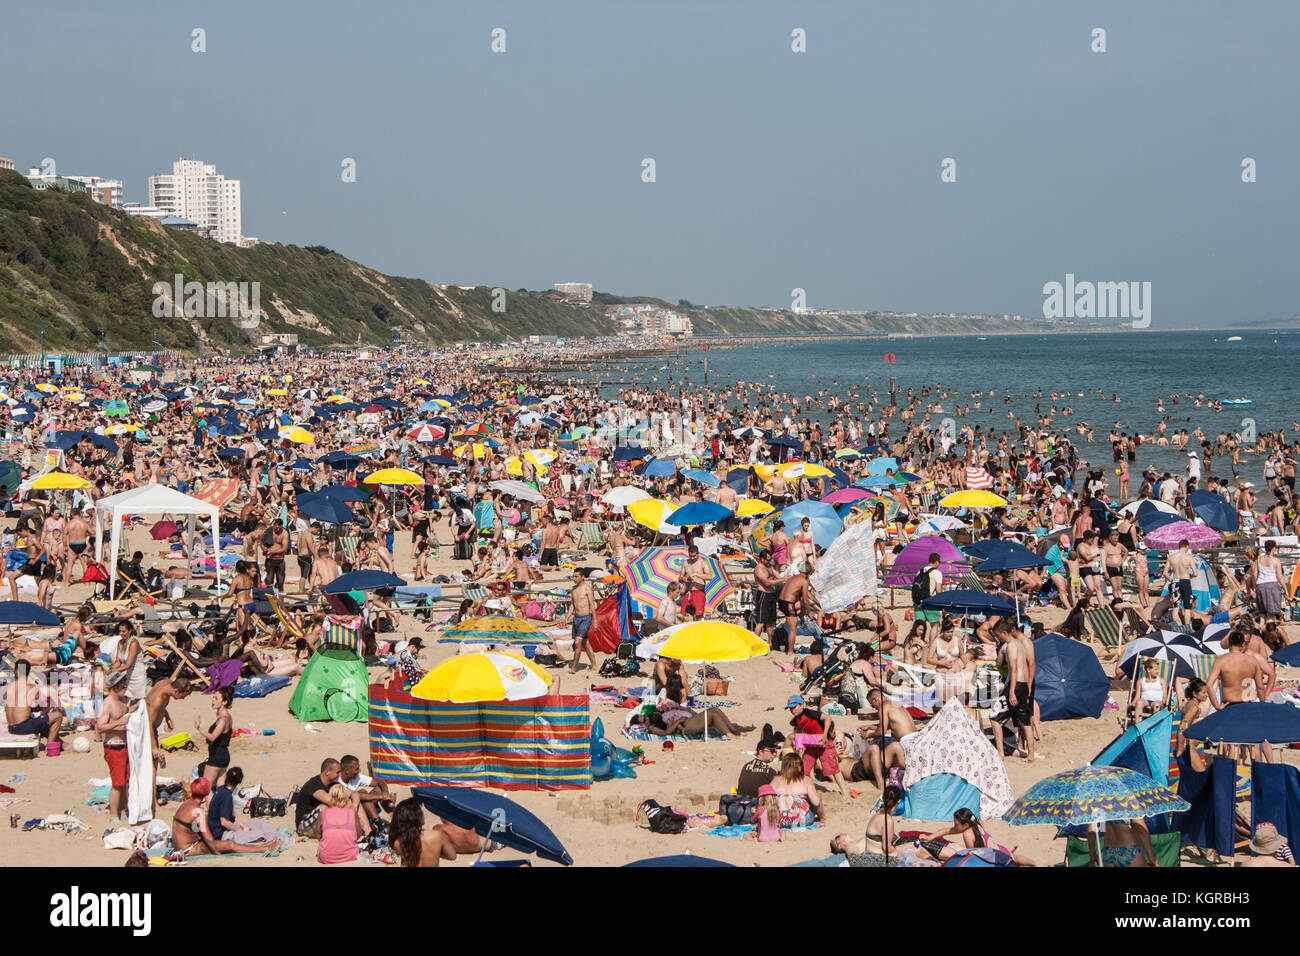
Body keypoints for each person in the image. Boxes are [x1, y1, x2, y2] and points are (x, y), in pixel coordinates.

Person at [172, 777, 278, 856]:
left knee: (225, 843)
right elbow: (208, 838)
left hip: (181, 846)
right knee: (229, 844)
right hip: (188, 849)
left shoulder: (186, 804)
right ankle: (262, 849)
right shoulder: (198, 811)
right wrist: (216, 852)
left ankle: (262, 846)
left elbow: (192, 828)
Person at [918, 807, 1037, 865]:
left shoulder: (967, 834)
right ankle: (1035, 863)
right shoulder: (975, 825)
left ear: (965, 825)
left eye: (957, 824)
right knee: (1014, 857)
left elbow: (972, 854)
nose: (954, 826)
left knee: (1013, 862)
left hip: (995, 857)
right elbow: (947, 830)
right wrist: (930, 837)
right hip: (1000, 849)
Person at [786, 693, 849, 796]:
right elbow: (799, 731)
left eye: (794, 707)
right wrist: (799, 741)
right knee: (804, 768)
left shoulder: (809, 713)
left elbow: (828, 718)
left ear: (801, 705)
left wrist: (824, 734)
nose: (792, 710)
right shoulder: (796, 720)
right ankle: (801, 790)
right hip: (812, 745)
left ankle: (845, 791)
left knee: (833, 768)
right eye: (790, 708)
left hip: (823, 744)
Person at [95, 670, 133, 821]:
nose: (125, 686)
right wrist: (118, 723)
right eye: (122, 684)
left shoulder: (123, 700)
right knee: (117, 783)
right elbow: (100, 727)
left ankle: (123, 809)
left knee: (127, 781)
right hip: (114, 746)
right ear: (115, 686)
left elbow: (128, 712)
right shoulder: (107, 704)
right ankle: (113, 815)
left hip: (125, 746)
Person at [4, 662, 66, 753]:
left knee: (43, 722)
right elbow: (40, 707)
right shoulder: (31, 688)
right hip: (24, 726)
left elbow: (9, 702)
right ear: (28, 672)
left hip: (11, 727)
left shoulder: (8, 688)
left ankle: (61, 744)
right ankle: (50, 748)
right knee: (57, 716)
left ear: (15, 671)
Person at [389, 797, 458, 867]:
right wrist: (435, 851)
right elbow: (452, 856)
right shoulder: (437, 835)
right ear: (417, 816)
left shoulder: (398, 843)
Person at [293, 757, 343, 839]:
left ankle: (367, 831)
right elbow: (331, 801)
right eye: (337, 772)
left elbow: (350, 793)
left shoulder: (333, 783)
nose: (340, 775)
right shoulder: (313, 785)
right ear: (327, 772)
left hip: (317, 821)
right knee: (325, 807)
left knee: (354, 799)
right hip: (304, 826)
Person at [193, 686, 234, 787]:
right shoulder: (226, 716)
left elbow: (212, 737)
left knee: (206, 789)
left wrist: (199, 728)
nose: (213, 700)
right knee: (220, 789)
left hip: (217, 756)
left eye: (216, 698)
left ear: (224, 702)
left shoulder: (223, 719)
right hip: (223, 755)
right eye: (213, 697)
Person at [339, 753, 393, 828]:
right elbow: (357, 796)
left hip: (361, 807)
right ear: (347, 771)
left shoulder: (356, 777)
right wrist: (381, 796)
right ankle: (380, 824)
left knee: (379, 788)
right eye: (356, 769)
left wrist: (385, 792)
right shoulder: (338, 783)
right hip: (348, 813)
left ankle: (393, 817)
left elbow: (379, 781)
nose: (359, 771)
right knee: (362, 793)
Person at [769, 752, 822, 827]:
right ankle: (823, 818)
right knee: (818, 795)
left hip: (779, 820)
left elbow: (766, 799)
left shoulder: (776, 780)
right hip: (800, 821)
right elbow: (816, 802)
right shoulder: (806, 780)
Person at [318, 783, 362, 864]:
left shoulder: (323, 813)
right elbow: (359, 834)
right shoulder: (352, 812)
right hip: (351, 856)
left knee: (321, 845)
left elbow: (318, 835)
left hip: (326, 858)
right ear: (345, 797)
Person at [565, 569, 597, 674]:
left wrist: (595, 621)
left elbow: (592, 606)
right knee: (586, 643)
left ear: (582, 577)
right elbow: (572, 605)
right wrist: (567, 618)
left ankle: (574, 667)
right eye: (573, 576)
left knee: (577, 642)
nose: (574, 579)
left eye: (576, 576)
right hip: (576, 619)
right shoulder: (573, 589)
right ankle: (594, 665)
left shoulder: (587, 589)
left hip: (586, 618)